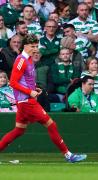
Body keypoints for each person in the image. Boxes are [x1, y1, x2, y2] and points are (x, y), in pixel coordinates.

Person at [0, 34, 87, 163]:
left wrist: (34, 87)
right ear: (25, 46)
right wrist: (30, 91)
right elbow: (13, 82)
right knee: (51, 125)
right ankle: (68, 155)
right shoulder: (21, 60)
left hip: (26, 99)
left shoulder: (29, 59)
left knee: (18, 130)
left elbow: (26, 79)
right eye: (32, 46)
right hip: (26, 101)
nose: (35, 49)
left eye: (36, 46)